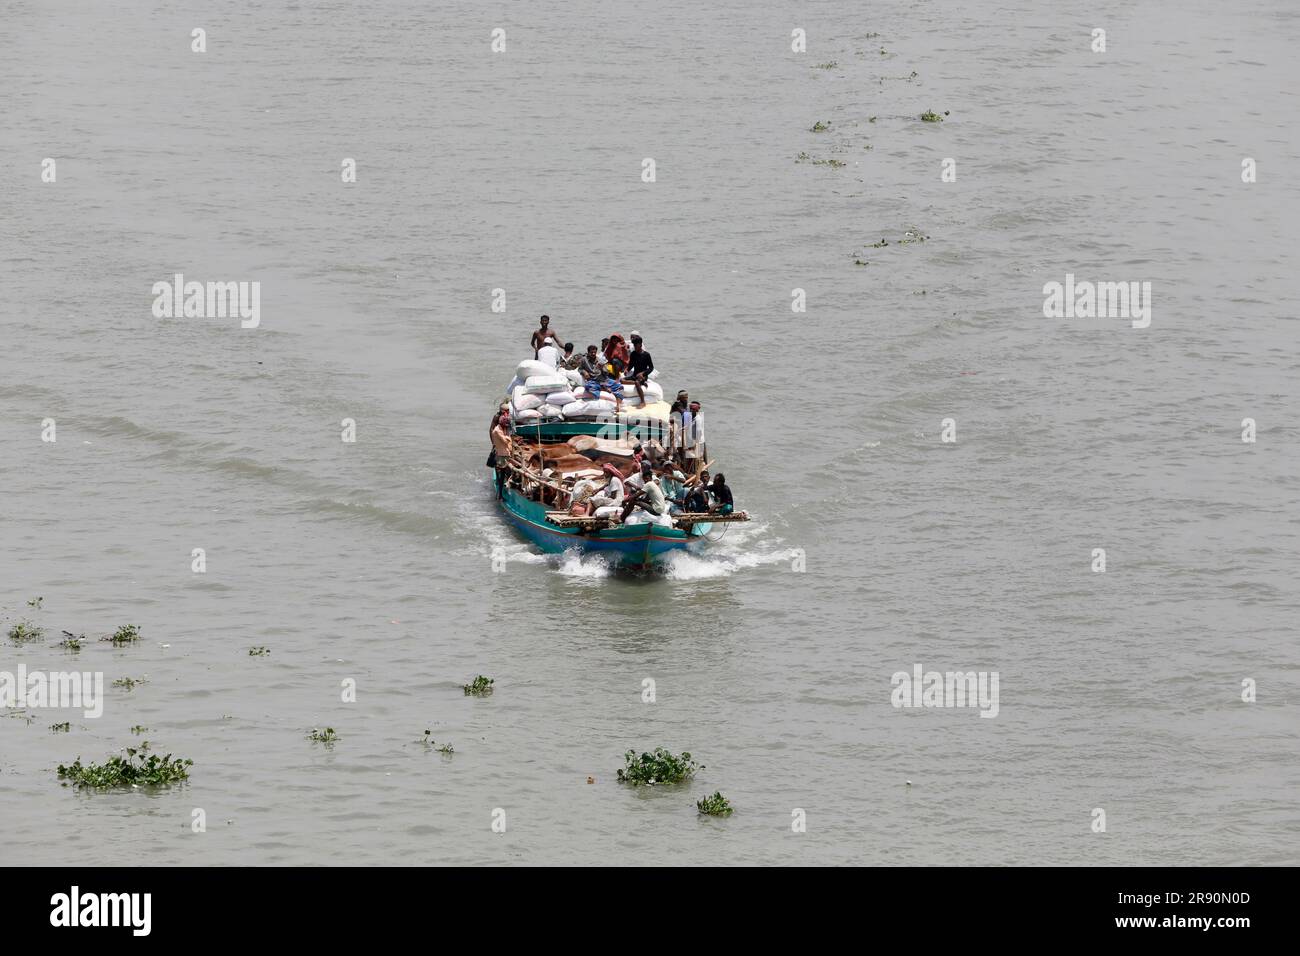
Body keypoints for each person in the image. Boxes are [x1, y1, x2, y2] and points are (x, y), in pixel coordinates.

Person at [625, 334, 654, 402]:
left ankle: (642, 401)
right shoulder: (633, 354)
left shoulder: (646, 355)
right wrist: (627, 370)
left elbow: (651, 368)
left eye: (636, 345)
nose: (634, 346)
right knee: (621, 380)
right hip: (634, 376)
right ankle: (637, 382)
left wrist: (643, 373)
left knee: (637, 383)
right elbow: (631, 365)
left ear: (640, 344)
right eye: (634, 345)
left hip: (643, 376)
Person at [681, 400, 704, 474]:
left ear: (697, 410)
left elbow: (698, 433)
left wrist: (693, 445)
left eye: (693, 409)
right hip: (690, 440)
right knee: (689, 459)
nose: (691, 411)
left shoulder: (698, 420)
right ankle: (689, 471)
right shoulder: (691, 417)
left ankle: (692, 473)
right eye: (691, 409)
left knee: (693, 461)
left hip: (696, 442)